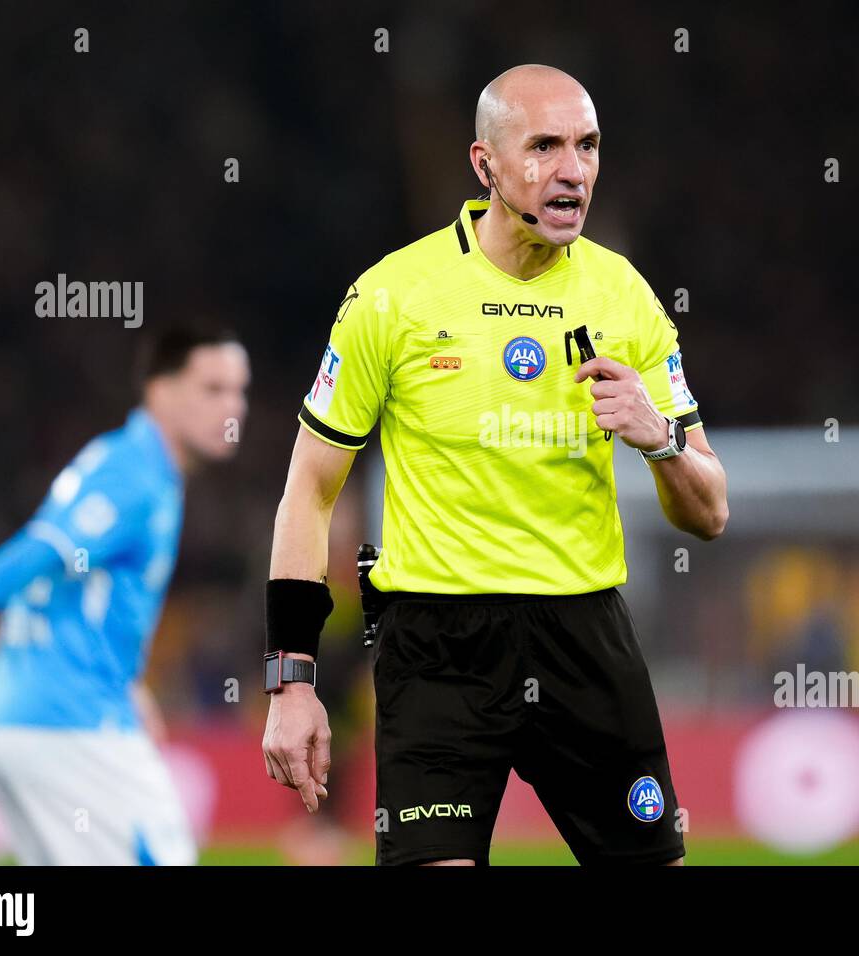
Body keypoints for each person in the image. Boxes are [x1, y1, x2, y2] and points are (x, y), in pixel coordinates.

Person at [262, 64, 728, 866]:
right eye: (544, 146)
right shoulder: (392, 297)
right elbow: (309, 488)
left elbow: (709, 512)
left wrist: (659, 440)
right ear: (485, 165)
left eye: (586, 146)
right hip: (439, 646)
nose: (572, 170)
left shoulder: (626, 298)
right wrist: (291, 681)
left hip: (583, 637)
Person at [0, 326, 250, 865]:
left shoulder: (117, 458)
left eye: (239, 390)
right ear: (160, 390)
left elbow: (80, 583)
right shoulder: (136, 476)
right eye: (213, 389)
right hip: (65, 719)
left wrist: (127, 685)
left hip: (21, 717)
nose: (232, 407)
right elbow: (42, 550)